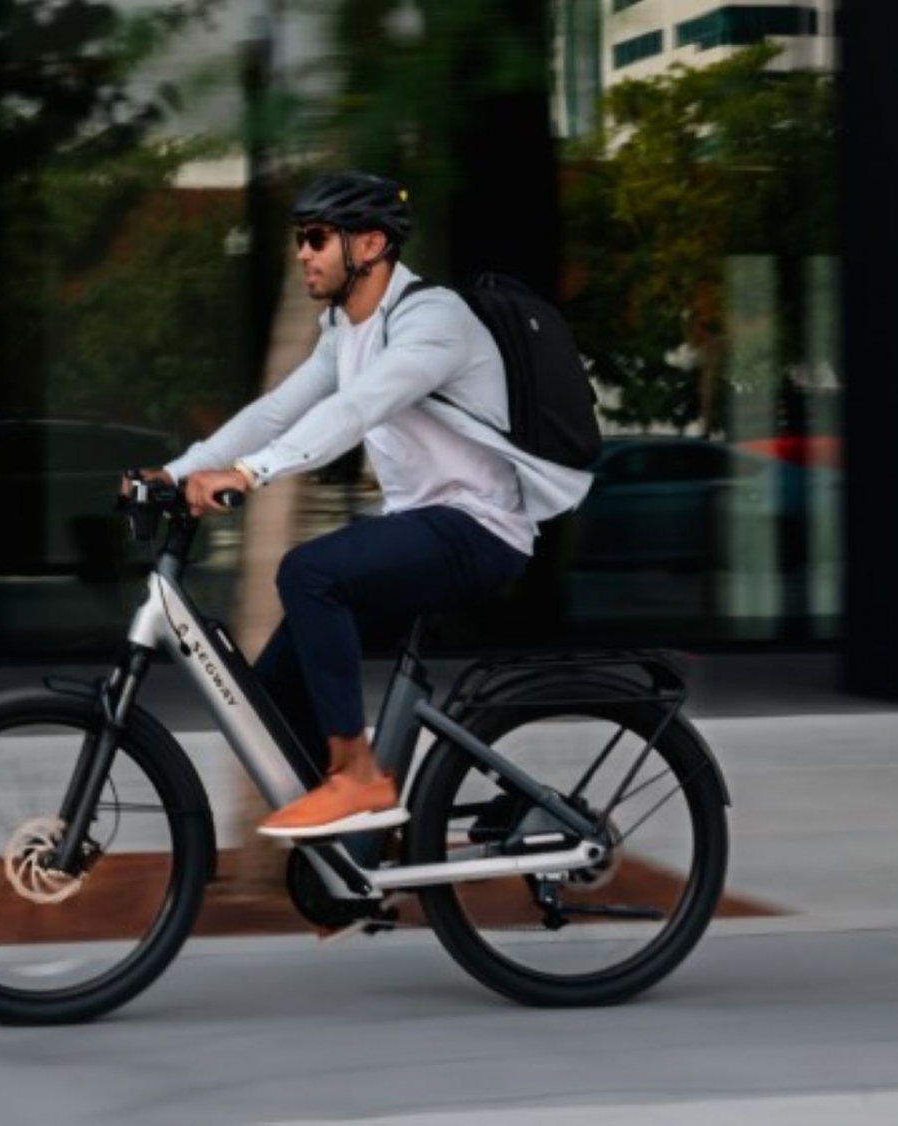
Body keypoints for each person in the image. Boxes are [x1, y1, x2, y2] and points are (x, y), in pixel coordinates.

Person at [136, 171, 592, 838]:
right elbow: (276, 412)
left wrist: (248, 475)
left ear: (372, 243)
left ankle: (358, 778)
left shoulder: (433, 321)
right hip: (420, 528)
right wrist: (177, 473)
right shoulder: (343, 330)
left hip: (480, 528)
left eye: (317, 238)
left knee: (308, 572)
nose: (303, 253)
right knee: (271, 694)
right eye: (299, 239)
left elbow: (354, 412)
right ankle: (353, 860)